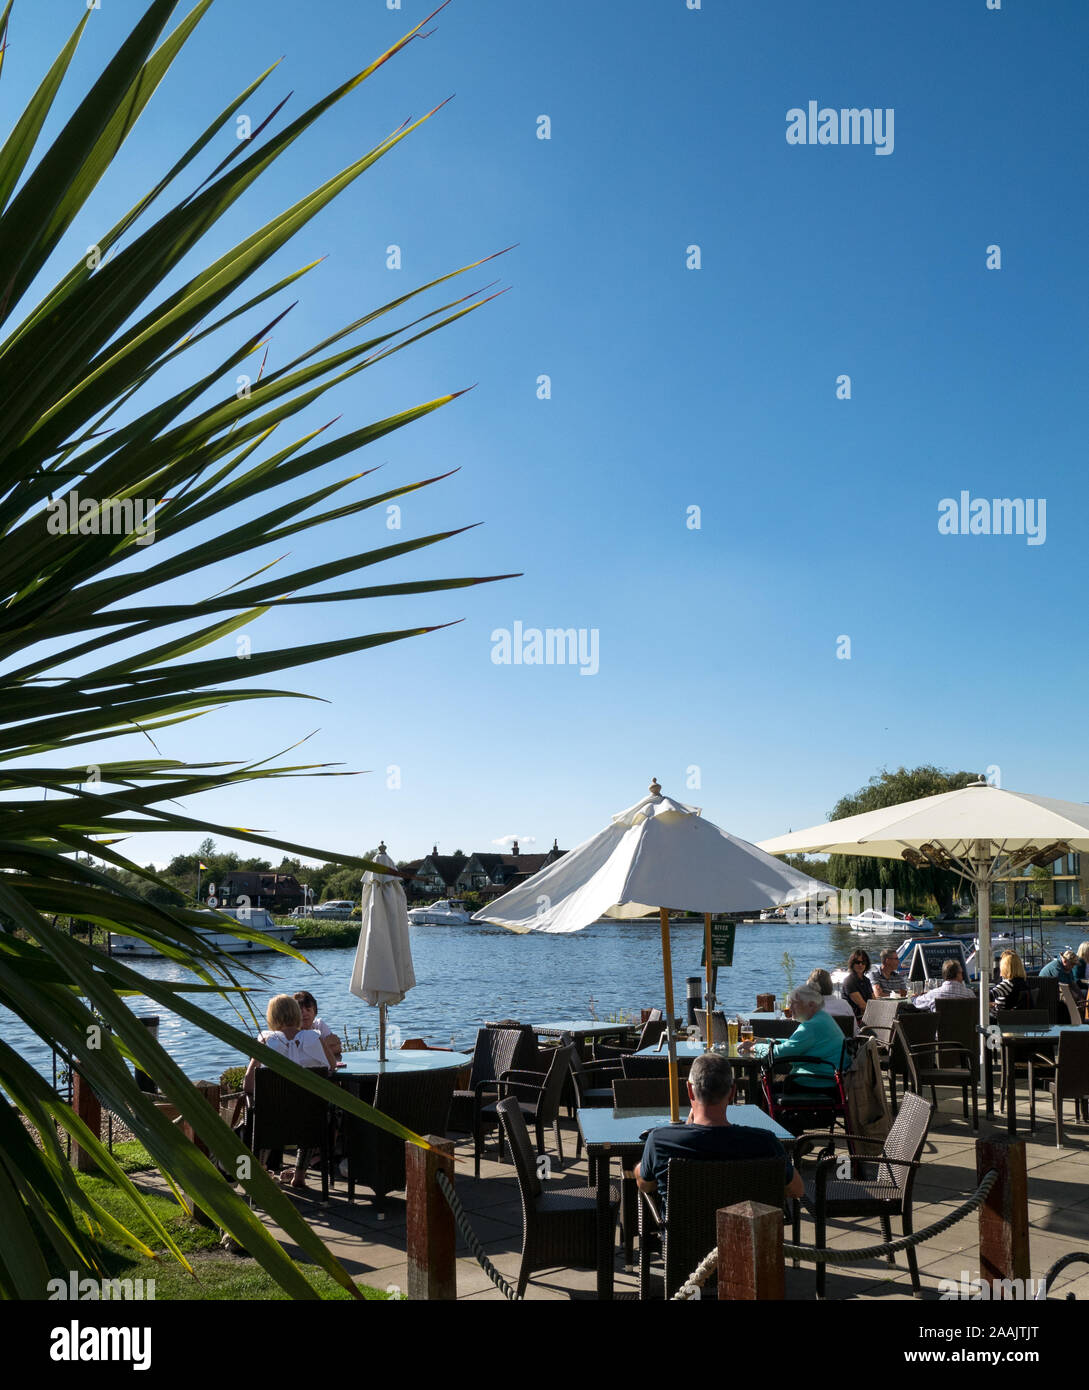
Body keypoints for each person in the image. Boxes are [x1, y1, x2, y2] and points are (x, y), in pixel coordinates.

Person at [634, 1053, 802, 1217]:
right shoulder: (765, 1142)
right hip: (746, 1241)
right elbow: (797, 1189)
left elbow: (645, 1184)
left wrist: (638, 1168)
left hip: (684, 1242)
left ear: (690, 1091)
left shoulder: (660, 1142)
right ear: (732, 1092)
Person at [243, 994, 331, 1189]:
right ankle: (299, 1175)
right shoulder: (315, 1037)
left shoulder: (266, 1041)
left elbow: (248, 1085)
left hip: (274, 1121)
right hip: (309, 1120)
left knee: (261, 1116)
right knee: (311, 1107)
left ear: (272, 1017)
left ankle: (259, 1169)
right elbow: (330, 1067)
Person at [739, 984, 845, 1096]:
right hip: (828, 1080)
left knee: (760, 1090)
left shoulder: (811, 1026)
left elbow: (780, 1053)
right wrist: (767, 1041)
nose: (790, 1007)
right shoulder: (823, 1018)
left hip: (815, 1083)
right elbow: (793, 1044)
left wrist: (754, 1047)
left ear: (811, 1005)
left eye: (794, 1003)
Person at [294, 991, 342, 1064]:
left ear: (315, 1012)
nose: (305, 1014)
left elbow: (338, 1048)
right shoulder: (292, 1031)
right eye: (300, 1011)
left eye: (308, 1010)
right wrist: (324, 1044)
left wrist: (313, 1050)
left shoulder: (319, 1025)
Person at [807, 968, 857, 1034]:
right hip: (844, 1043)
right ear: (830, 985)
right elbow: (855, 1031)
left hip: (818, 1043)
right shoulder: (844, 1004)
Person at [989, 950, 1030, 1015]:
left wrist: (989, 1004)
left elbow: (987, 996)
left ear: (1004, 968)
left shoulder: (1007, 985)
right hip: (1015, 1018)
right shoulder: (1024, 982)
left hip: (999, 1019)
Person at [841, 949, 874, 1020]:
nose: (860, 965)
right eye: (857, 962)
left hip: (867, 1016)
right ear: (852, 964)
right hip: (854, 1019)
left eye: (863, 962)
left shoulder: (866, 980)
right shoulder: (849, 981)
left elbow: (874, 1001)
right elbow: (862, 1005)